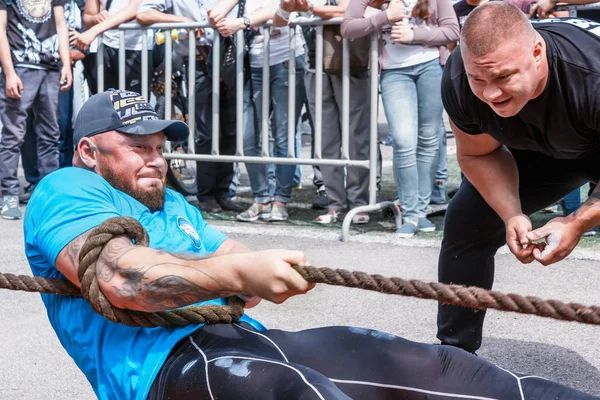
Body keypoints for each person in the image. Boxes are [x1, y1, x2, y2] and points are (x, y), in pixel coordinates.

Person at [24, 89, 598, 400]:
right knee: (304, 394)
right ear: (89, 151)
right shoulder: (67, 189)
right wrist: (241, 277)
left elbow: (233, 262)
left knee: (443, 369)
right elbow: (121, 279)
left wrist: (259, 272)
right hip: (160, 370)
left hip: (249, 341)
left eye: (159, 145)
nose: (155, 158)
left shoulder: (173, 205)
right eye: (136, 146)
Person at [437, 2, 600, 354]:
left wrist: (576, 221)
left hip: (590, 132)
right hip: (543, 149)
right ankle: (454, 358)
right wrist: (512, 213)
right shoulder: (459, 79)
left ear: (537, 51)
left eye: (503, 77)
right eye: (478, 78)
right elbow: (478, 153)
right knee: (468, 221)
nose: (491, 93)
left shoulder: (591, 75)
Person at [342, 0, 459, 238]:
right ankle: (409, 213)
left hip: (430, 68)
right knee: (404, 141)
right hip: (394, 73)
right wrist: (384, 17)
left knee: (428, 140)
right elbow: (347, 28)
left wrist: (414, 34)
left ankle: (421, 211)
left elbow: (452, 30)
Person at [136, 0, 245, 213]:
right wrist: (181, 20)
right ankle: (206, 194)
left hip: (230, 59)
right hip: (198, 62)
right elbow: (143, 14)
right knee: (205, 132)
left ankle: (223, 191)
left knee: (230, 129)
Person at [275, 0, 373, 225]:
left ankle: (359, 203)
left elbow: (357, 11)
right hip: (314, 65)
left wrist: (310, 9)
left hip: (351, 64)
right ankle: (335, 204)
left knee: (356, 136)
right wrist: (287, 7)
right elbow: (278, 19)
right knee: (325, 139)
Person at [214, 0, 306, 223]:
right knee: (248, 137)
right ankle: (261, 198)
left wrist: (243, 21)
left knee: (284, 135)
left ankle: (280, 200)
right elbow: (215, 14)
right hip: (251, 63)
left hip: (286, 59)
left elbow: (281, 10)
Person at [0, 0, 73, 220]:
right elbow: (1, 30)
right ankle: (8, 194)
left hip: (50, 68)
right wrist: (9, 72)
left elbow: (61, 25)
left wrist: (66, 64)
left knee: (50, 134)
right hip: (20, 67)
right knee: (13, 135)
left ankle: (48, 193)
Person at [75, 0, 150, 94]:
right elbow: (87, 17)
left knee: (135, 105)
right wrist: (96, 18)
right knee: (104, 104)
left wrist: (94, 31)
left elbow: (134, 9)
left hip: (136, 48)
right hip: (104, 48)